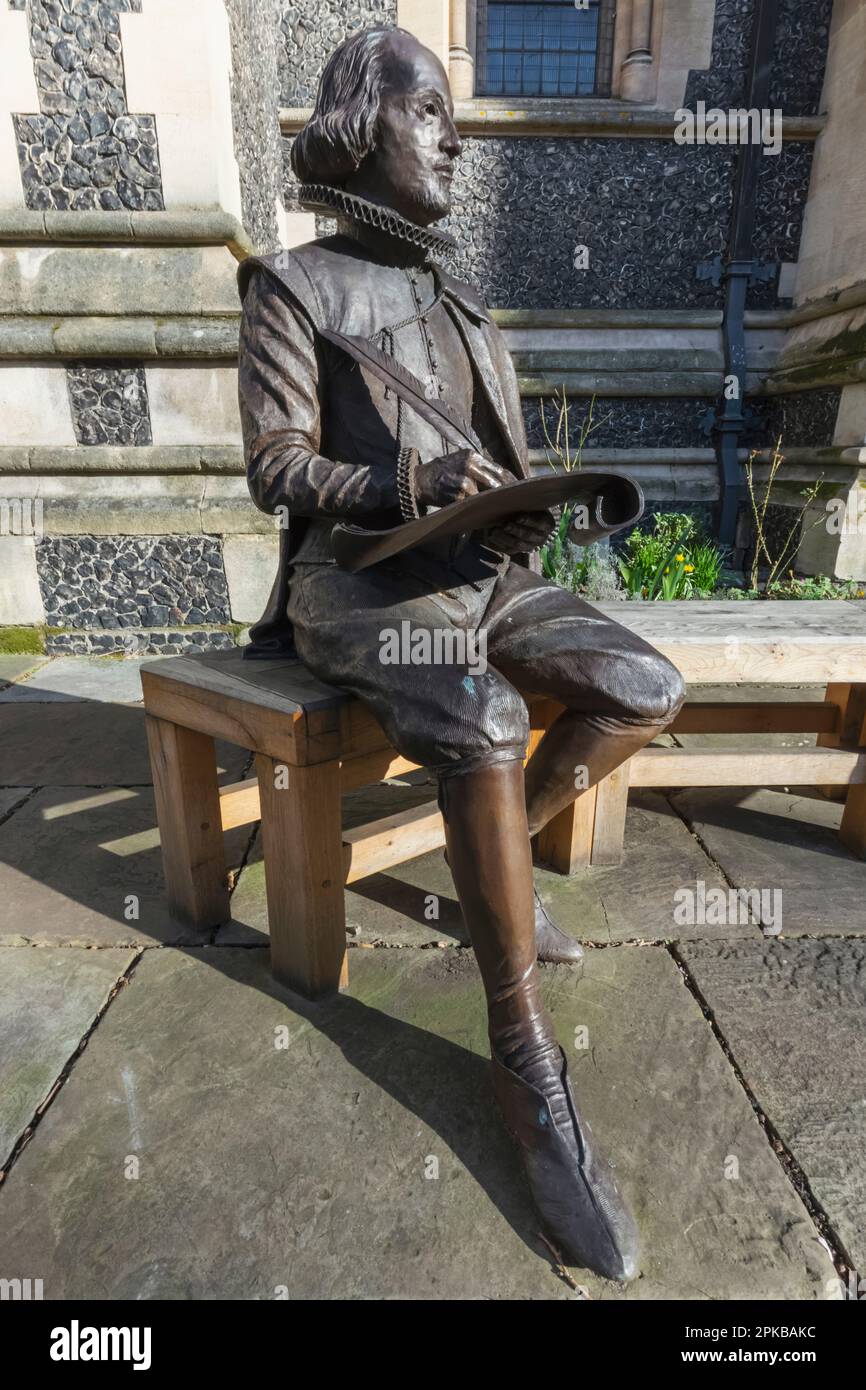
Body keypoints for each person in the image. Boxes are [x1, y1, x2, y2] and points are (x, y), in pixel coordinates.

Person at [237, 25, 685, 1281]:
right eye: (429, 110)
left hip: (484, 575)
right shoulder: (290, 286)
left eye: (449, 114)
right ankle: (523, 1057)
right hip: (357, 582)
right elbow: (273, 464)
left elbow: (505, 465)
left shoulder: (459, 303)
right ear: (357, 124)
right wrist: (398, 480)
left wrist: (518, 503)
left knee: (645, 687)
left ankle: (502, 878)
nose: (454, 135)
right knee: (482, 720)